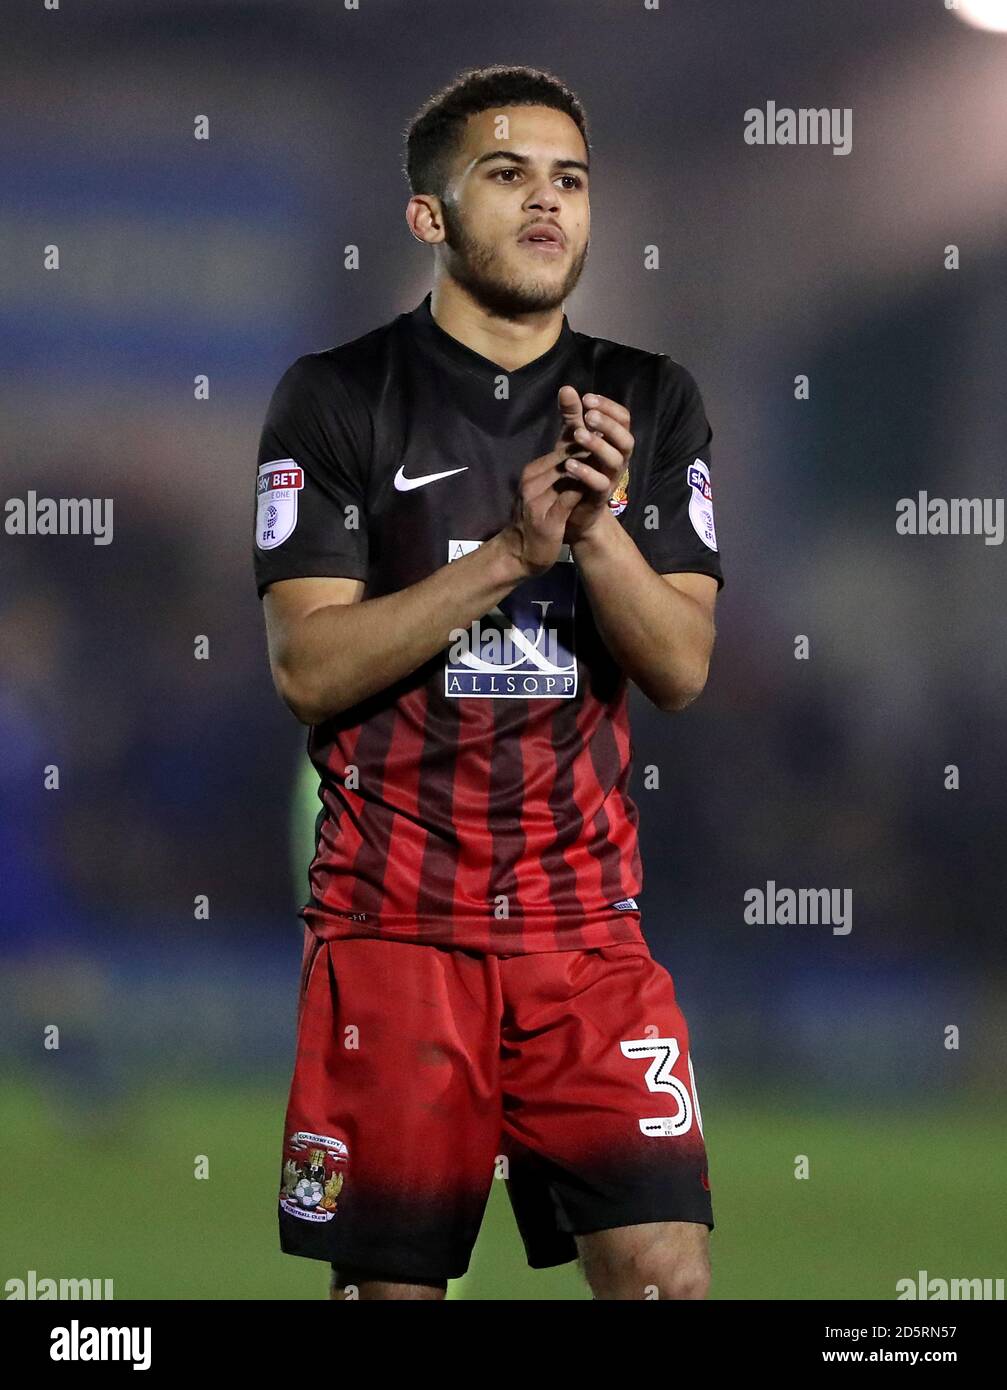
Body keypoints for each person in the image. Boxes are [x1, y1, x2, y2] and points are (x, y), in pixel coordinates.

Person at [253, 64, 723, 1301]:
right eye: (507, 175)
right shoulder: (338, 396)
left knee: (666, 1276)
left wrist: (597, 531)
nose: (545, 203)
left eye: (568, 179)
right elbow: (308, 667)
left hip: (585, 934)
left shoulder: (649, 400)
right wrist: (511, 558)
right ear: (428, 216)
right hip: (395, 928)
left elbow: (677, 666)